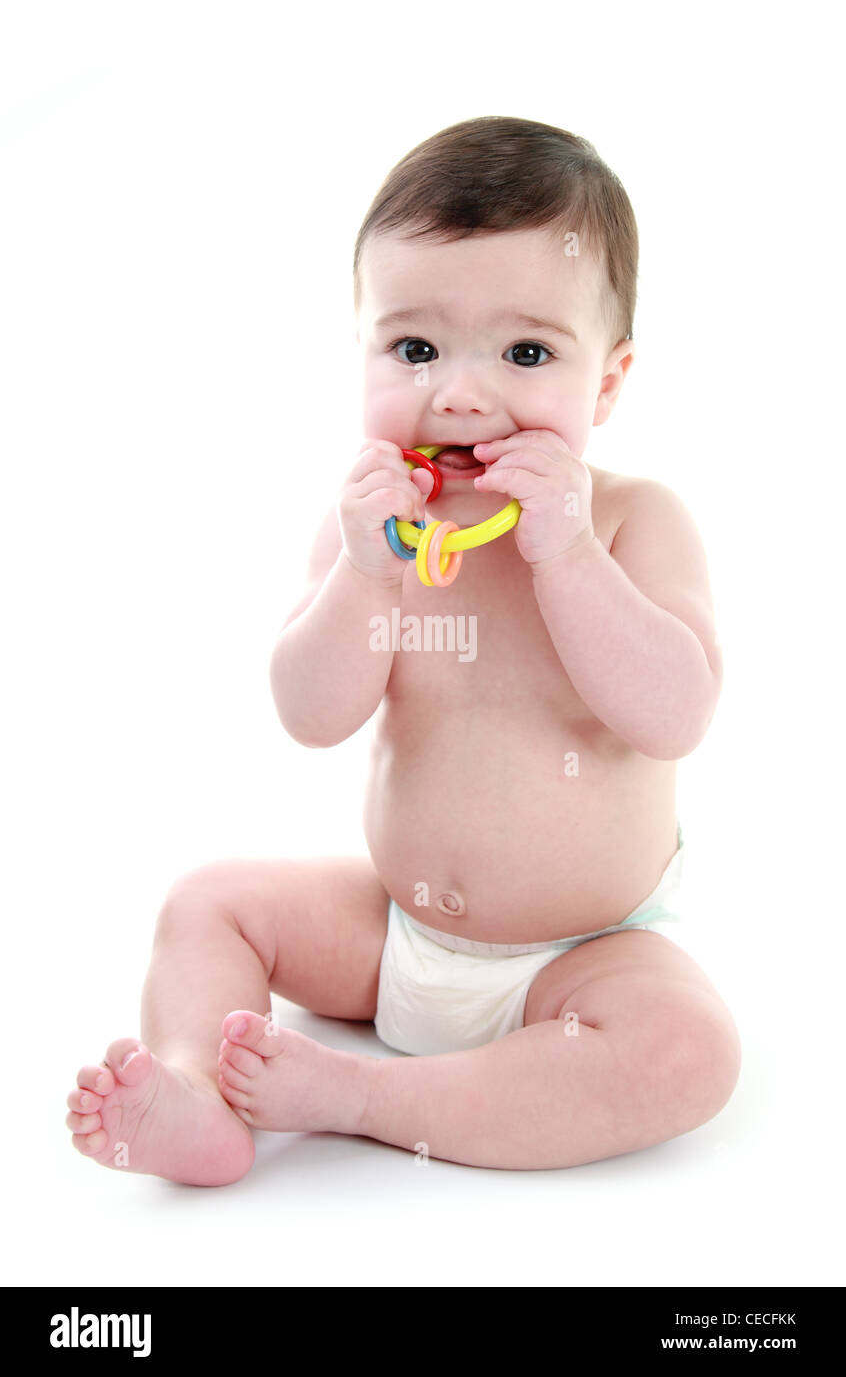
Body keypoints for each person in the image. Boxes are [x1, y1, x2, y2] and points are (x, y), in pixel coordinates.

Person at [66, 116, 740, 1181]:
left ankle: (366, 1096)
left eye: (526, 352)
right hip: (393, 932)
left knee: (687, 1048)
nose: (461, 394)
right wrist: (367, 575)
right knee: (207, 902)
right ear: (362, 351)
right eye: (415, 348)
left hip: (577, 963)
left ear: (606, 384)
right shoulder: (373, 533)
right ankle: (200, 1086)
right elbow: (310, 712)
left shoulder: (632, 522)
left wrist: (567, 558)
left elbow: (674, 711)